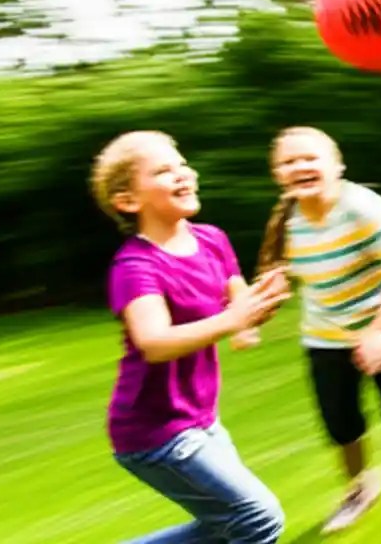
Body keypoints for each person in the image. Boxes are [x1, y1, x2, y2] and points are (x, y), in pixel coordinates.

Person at [91, 130, 287, 544]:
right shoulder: (135, 266)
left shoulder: (212, 240)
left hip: (202, 419)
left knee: (225, 528)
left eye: (182, 164)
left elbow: (239, 307)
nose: (183, 174)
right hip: (154, 431)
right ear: (127, 200)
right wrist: (236, 319)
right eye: (163, 171)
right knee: (259, 519)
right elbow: (154, 342)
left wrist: (261, 303)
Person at [255, 126, 381, 534]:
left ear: (337, 166)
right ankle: (358, 490)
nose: (300, 166)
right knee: (339, 422)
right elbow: (276, 275)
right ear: (278, 174)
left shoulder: (364, 209)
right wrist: (256, 313)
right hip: (325, 336)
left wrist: (378, 333)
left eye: (310, 157)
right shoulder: (287, 221)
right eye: (289, 161)